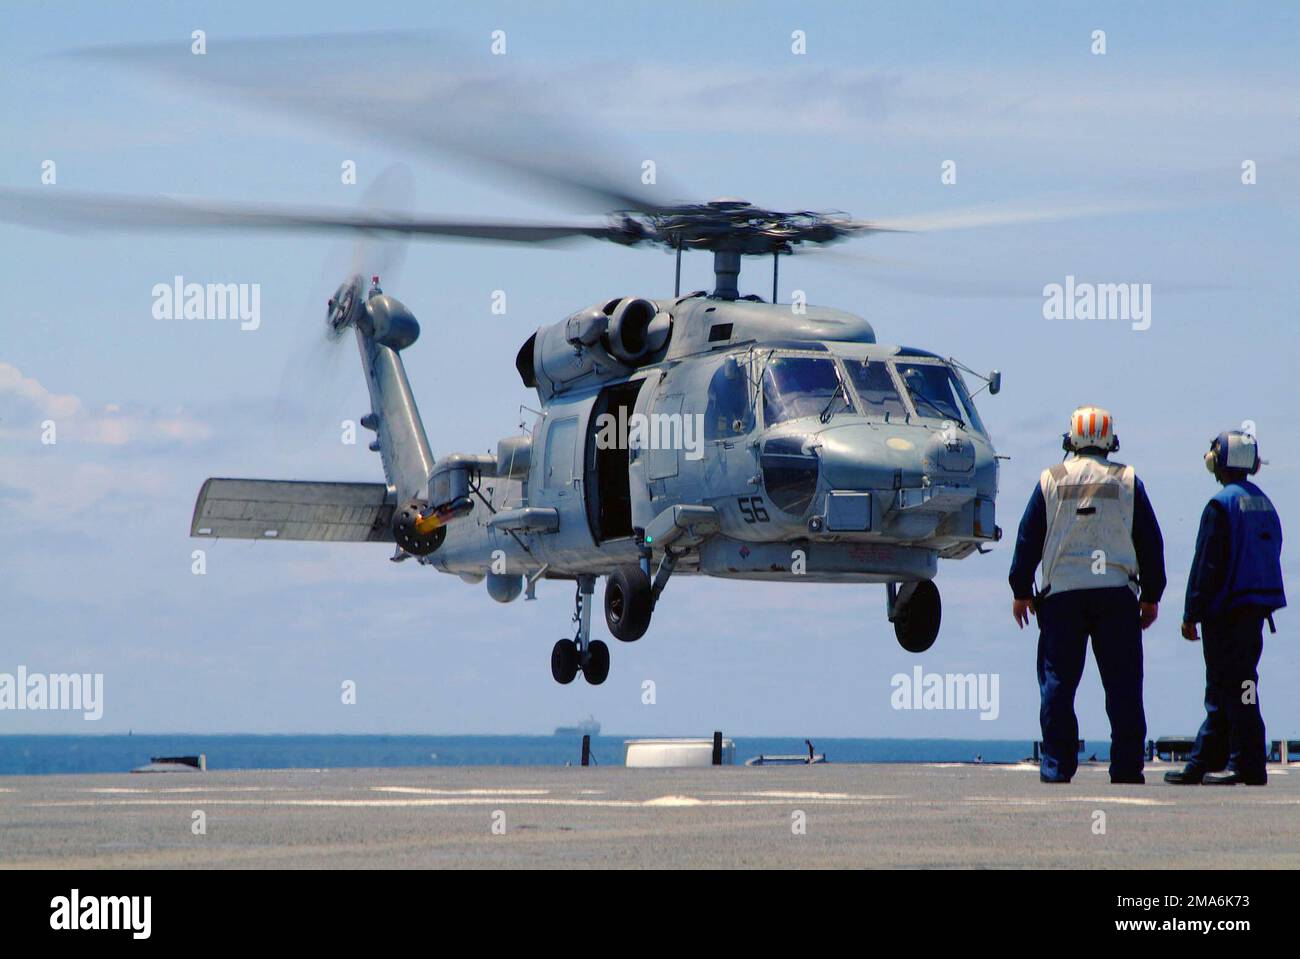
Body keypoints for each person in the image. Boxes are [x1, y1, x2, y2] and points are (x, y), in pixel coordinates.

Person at [1009, 406, 1166, 784]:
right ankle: (1127, 768)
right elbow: (1149, 542)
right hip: (1116, 595)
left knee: (1058, 685)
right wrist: (1151, 595)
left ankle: (1057, 767)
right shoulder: (1128, 481)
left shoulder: (1051, 479)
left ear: (1071, 440)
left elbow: (1028, 538)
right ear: (1110, 441)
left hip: (1062, 595)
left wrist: (1020, 590)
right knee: (1123, 686)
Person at [1166, 431, 1286, 786]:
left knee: (1227, 686)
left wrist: (1191, 613)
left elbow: (1207, 565)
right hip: (1255, 611)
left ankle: (1241, 763)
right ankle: (1211, 760)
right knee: (1241, 684)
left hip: (1226, 611)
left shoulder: (1221, 505)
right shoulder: (1264, 503)